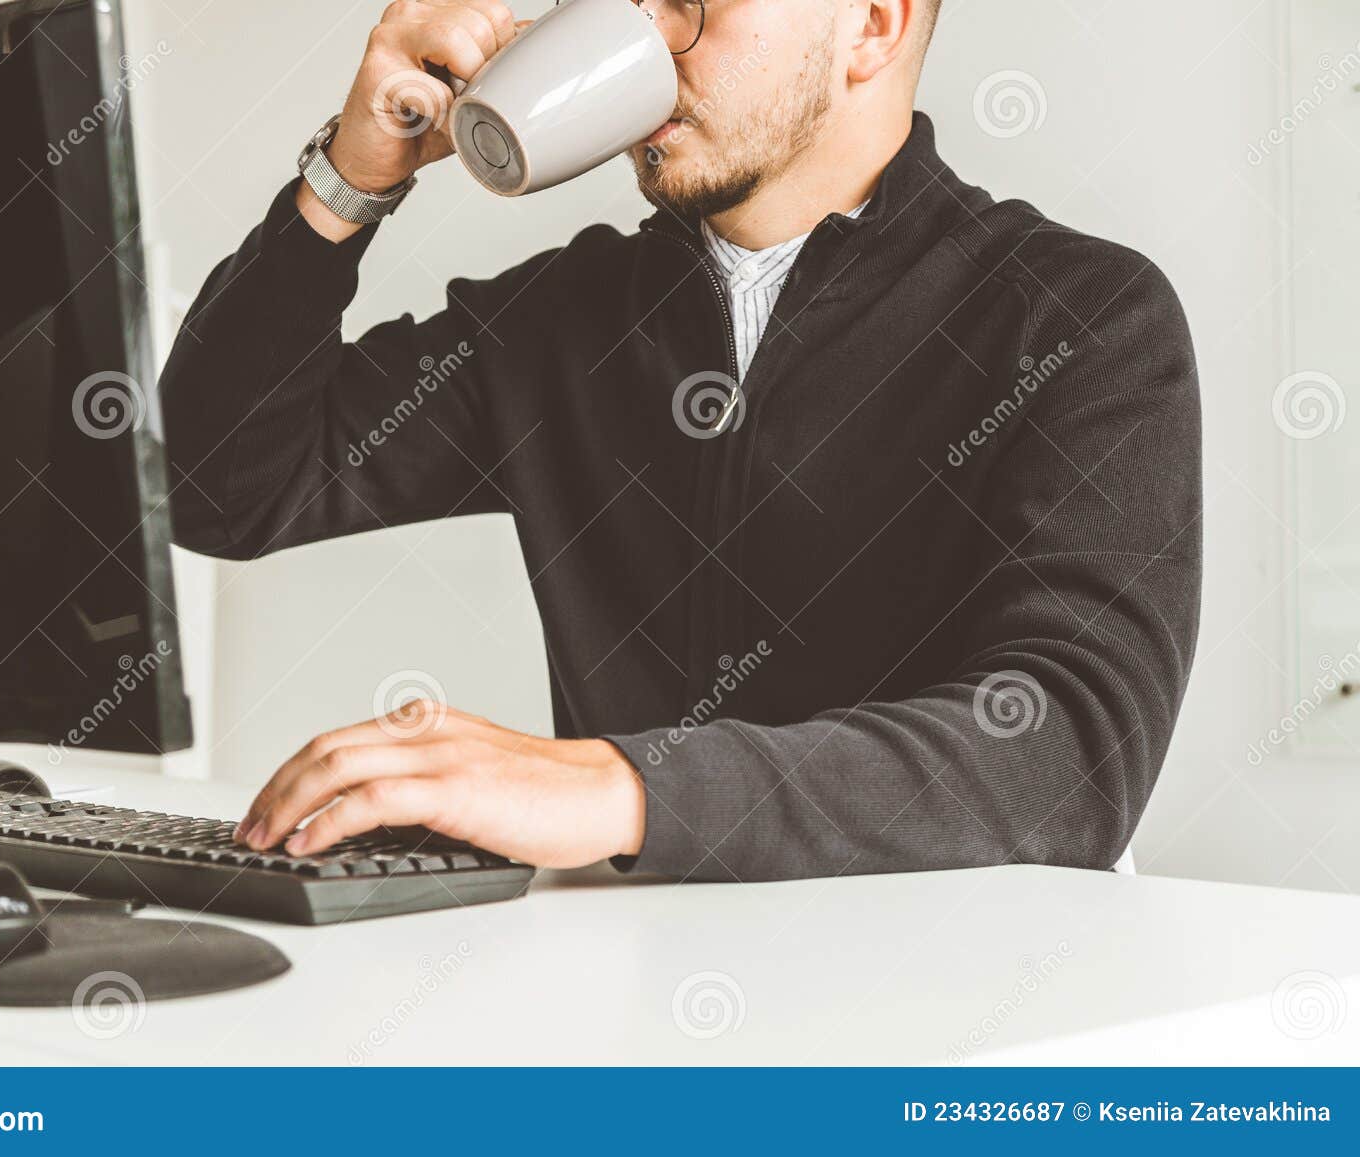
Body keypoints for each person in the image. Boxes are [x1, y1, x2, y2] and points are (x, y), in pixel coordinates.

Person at [158, 0, 1201, 882]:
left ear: (873, 24)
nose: (650, 41)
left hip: (954, 1023)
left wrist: (622, 786)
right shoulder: (567, 320)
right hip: (636, 1007)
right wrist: (351, 179)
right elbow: (219, 487)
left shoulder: (1075, 317)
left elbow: (1067, 751)